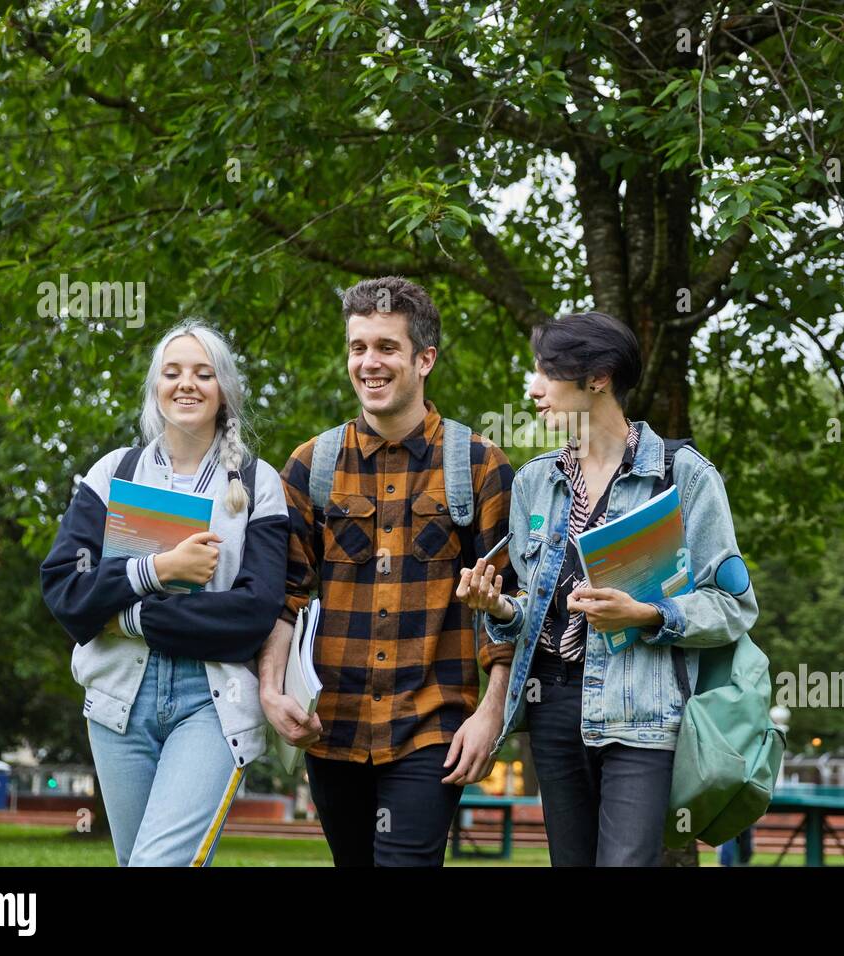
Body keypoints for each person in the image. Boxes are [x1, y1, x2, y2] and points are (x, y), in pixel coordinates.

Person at [458, 311, 759, 866]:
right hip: (551, 708)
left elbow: (733, 605)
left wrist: (647, 613)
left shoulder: (683, 474)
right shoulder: (534, 482)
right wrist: (498, 607)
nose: (533, 387)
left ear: (598, 377)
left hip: (641, 712)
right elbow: (537, 613)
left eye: (547, 371)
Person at [259, 276, 516, 867]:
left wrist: (491, 713)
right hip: (333, 727)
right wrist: (271, 692)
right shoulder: (312, 465)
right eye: (358, 348)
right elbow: (286, 595)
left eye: (386, 348)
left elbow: (511, 606)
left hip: (433, 723)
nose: (369, 363)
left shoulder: (479, 466)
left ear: (425, 359)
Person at [40, 322, 289, 865]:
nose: (187, 384)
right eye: (172, 372)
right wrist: (158, 569)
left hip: (211, 700)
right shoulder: (114, 473)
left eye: (204, 373)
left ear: (225, 388)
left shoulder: (256, 482)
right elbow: (65, 590)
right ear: (156, 386)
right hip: (117, 703)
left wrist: (124, 617)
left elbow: (252, 614)